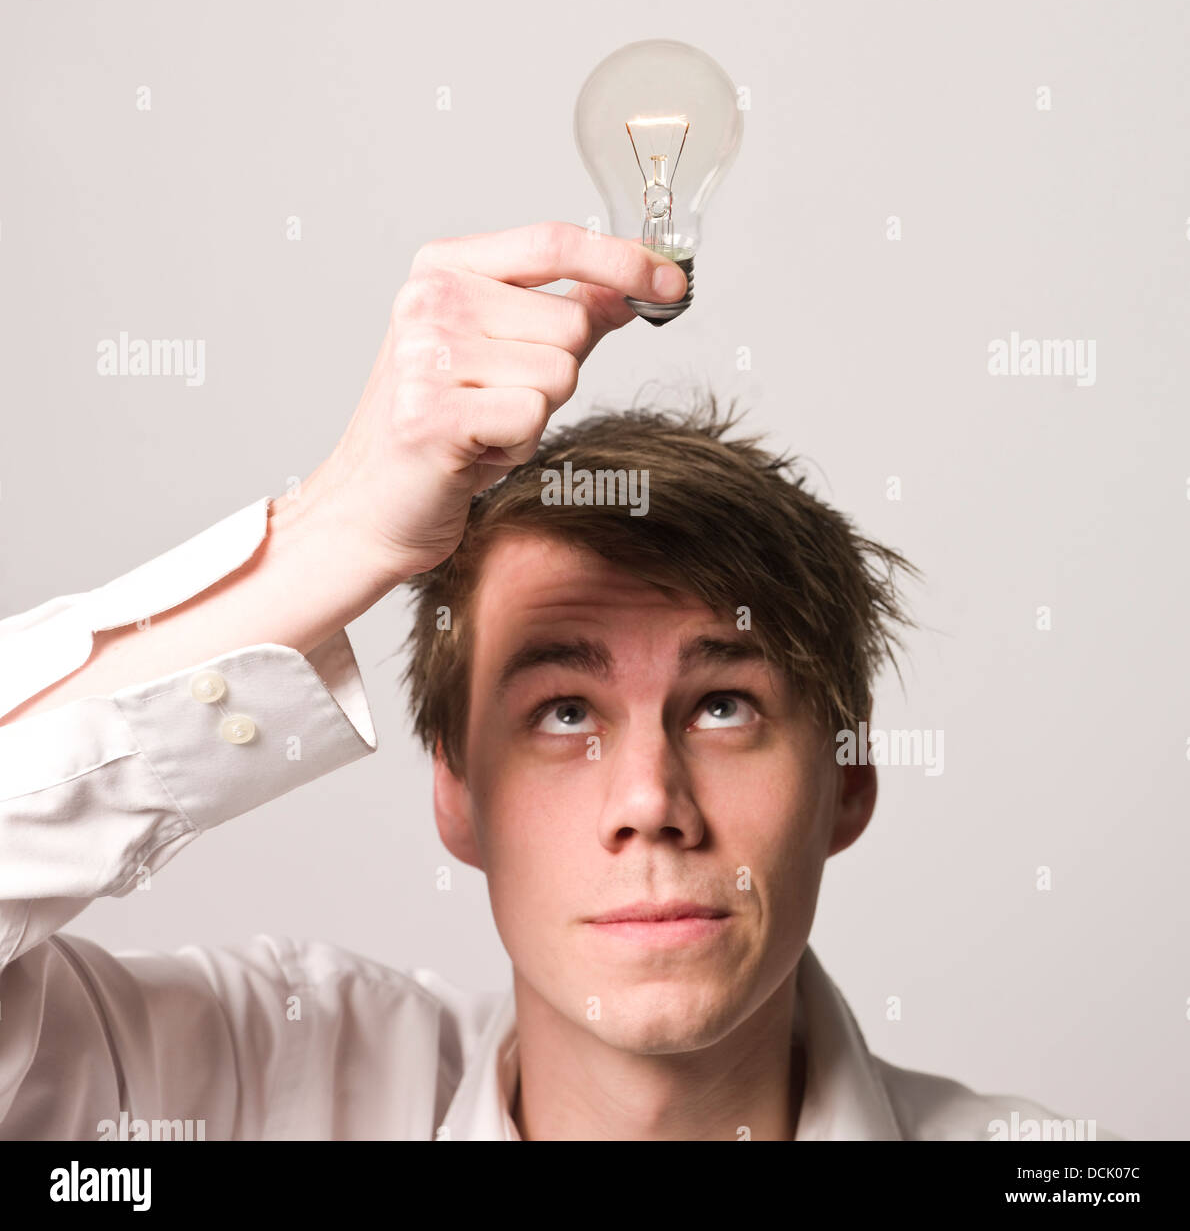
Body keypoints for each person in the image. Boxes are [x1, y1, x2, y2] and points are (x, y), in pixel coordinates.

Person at [0, 223, 1112, 1141]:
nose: (647, 805)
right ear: (456, 791)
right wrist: (334, 527)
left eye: (723, 705)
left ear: (849, 777)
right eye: (565, 712)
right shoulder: (248, 1090)